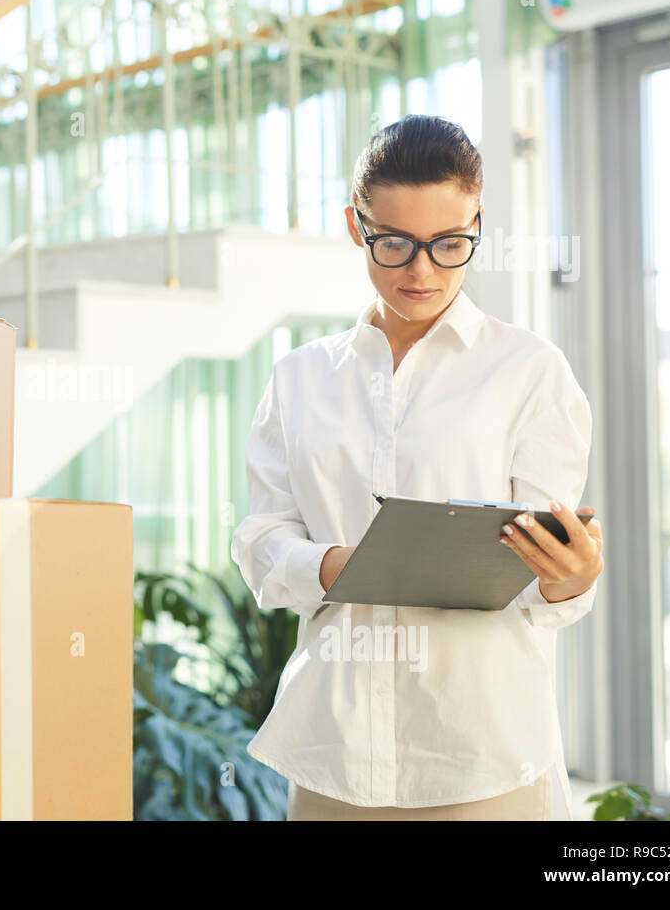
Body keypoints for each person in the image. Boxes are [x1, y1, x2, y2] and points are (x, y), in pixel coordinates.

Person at [231, 114, 605, 821]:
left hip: (479, 755)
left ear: (478, 224)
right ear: (355, 225)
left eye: (451, 243)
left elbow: (538, 579)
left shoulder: (528, 372)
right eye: (395, 243)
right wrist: (337, 567)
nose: (422, 270)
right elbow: (259, 539)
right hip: (331, 750)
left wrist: (571, 579)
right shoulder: (300, 378)